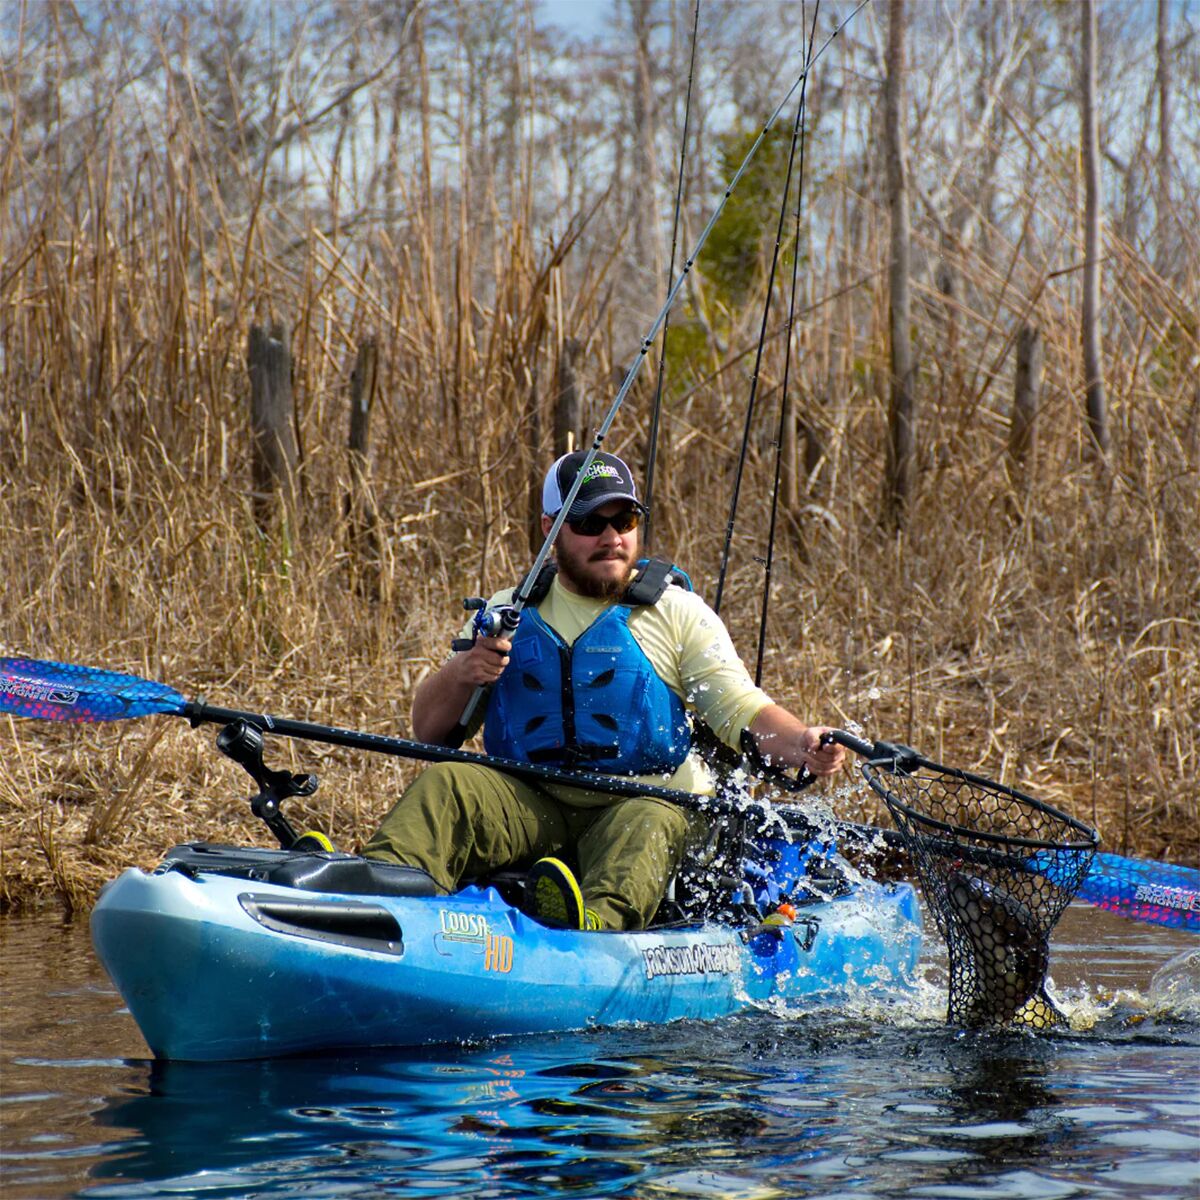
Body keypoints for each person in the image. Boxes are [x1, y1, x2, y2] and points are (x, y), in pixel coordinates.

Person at [363, 449, 845, 930]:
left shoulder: (678, 614)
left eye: (625, 519)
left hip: (643, 804)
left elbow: (744, 710)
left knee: (646, 823)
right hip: (534, 804)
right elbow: (429, 731)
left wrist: (802, 742)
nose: (612, 538)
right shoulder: (507, 613)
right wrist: (465, 668)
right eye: (590, 523)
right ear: (551, 528)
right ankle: (371, 891)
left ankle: (592, 928)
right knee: (450, 784)